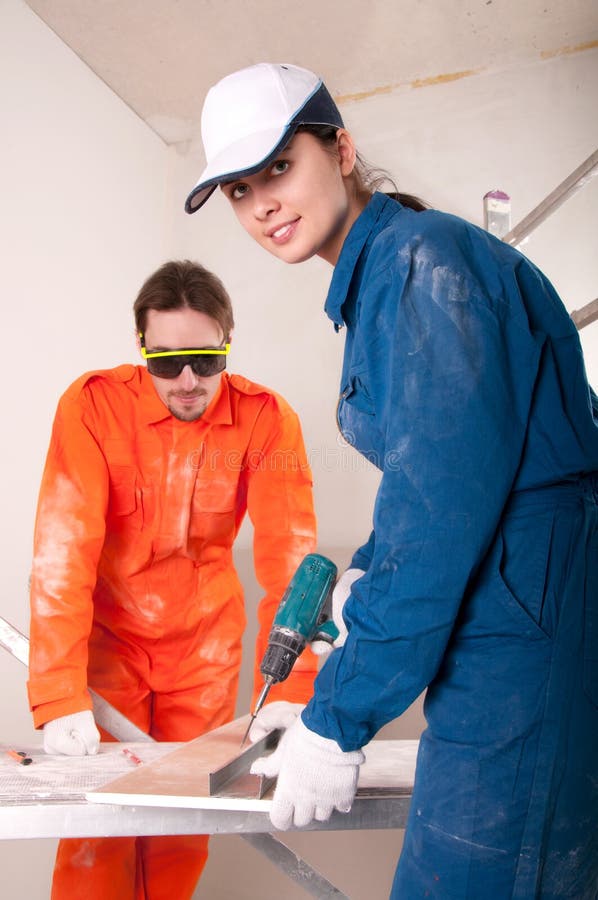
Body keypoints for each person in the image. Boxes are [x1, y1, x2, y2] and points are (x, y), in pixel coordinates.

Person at [184, 63, 598, 898]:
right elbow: (444, 470)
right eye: (236, 188)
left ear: (341, 149)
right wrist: (369, 568)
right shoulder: (391, 274)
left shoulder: (419, 268)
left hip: (525, 634)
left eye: (277, 167)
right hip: (520, 618)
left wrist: (338, 721)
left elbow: (442, 513)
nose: (261, 203)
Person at [27, 259, 318, 900]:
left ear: (228, 344)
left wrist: (297, 691)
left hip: (205, 652)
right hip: (109, 649)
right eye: (166, 362)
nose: (187, 382)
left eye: (205, 362)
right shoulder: (92, 406)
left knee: (183, 829)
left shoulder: (267, 419)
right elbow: (62, 551)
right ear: (141, 350)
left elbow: (291, 565)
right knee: (96, 833)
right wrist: (56, 693)